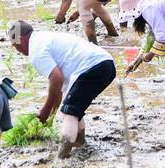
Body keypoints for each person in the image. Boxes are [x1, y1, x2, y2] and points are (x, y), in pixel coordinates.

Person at [7, 20, 117, 159]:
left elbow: (56, 79)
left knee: (69, 114)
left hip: (92, 66)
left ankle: (61, 158)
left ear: (20, 40)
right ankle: (80, 143)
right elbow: (58, 89)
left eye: (14, 45)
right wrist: (51, 116)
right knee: (73, 107)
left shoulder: (36, 51)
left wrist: (44, 112)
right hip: (105, 63)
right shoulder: (44, 37)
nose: (17, 50)